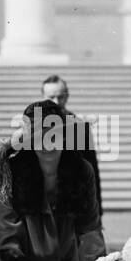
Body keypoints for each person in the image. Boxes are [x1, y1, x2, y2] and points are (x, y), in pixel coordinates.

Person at [0, 99, 105, 261]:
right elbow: (6, 233)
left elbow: (90, 228)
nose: (46, 145)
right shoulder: (13, 172)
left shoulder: (81, 170)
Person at [40, 74, 103, 223]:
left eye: (60, 97)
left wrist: (97, 210)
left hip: (71, 203)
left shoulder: (79, 126)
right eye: (51, 97)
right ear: (42, 96)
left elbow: (91, 169)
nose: (56, 102)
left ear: (67, 96)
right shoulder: (32, 125)